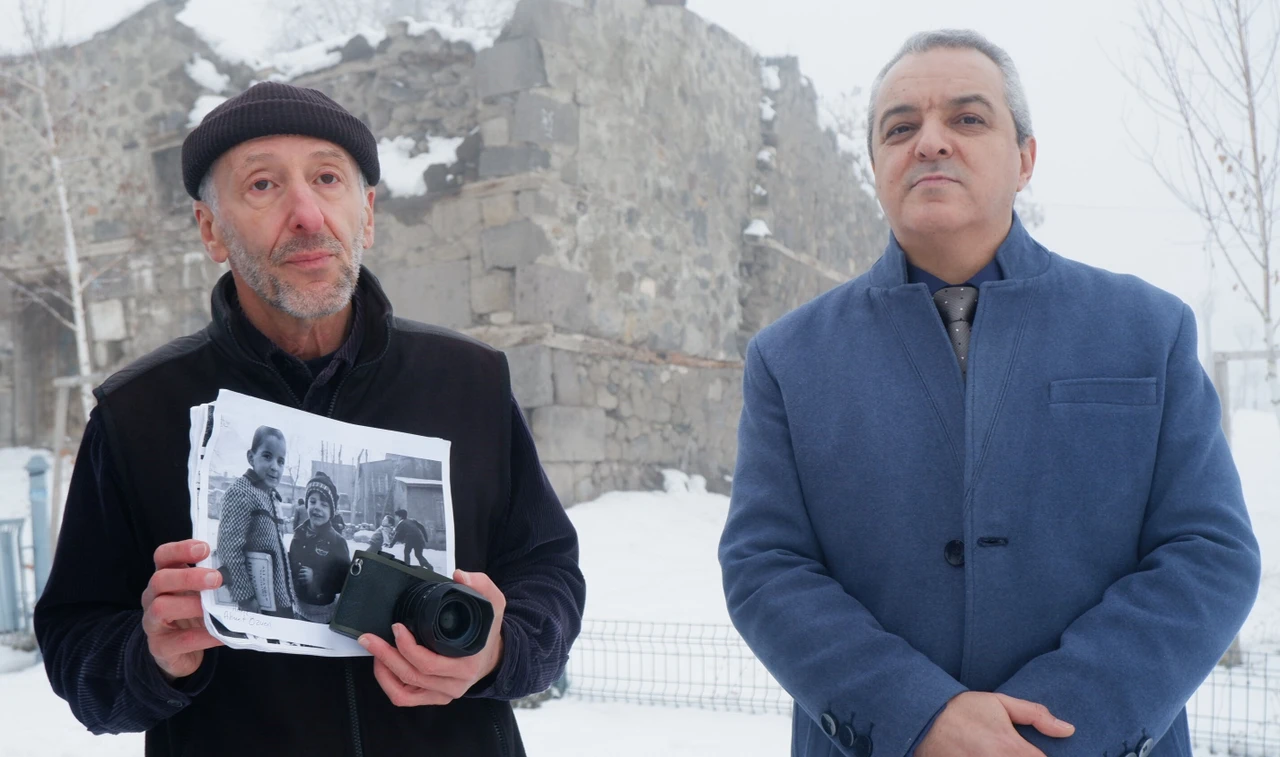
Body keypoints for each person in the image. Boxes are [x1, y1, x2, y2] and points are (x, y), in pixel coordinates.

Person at [719, 29, 1261, 757]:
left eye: (967, 119)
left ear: (1025, 159)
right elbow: (766, 567)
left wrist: (1053, 728)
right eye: (900, 127)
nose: (930, 142)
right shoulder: (789, 357)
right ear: (876, 163)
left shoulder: (1146, 329)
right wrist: (918, 716)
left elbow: (1208, 550)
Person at [35, 81, 585, 757]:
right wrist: (148, 656)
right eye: (262, 185)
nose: (305, 212)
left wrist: (502, 647)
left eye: (327, 177)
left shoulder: (470, 381)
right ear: (211, 229)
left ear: (368, 213)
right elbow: (74, 645)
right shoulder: (136, 412)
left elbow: (549, 571)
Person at [215, 425, 297, 617]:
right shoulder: (241, 492)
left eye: (281, 461)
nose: (275, 467)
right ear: (251, 457)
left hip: (279, 597)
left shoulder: (270, 495)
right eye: (267, 456)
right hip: (259, 605)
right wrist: (246, 598)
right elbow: (229, 549)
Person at [288, 472, 350, 624]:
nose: (317, 508)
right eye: (313, 501)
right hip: (298, 607)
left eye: (324, 504)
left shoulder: (337, 542)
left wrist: (315, 578)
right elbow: (292, 565)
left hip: (322, 613)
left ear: (331, 511)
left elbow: (344, 581)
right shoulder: (298, 534)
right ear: (307, 504)